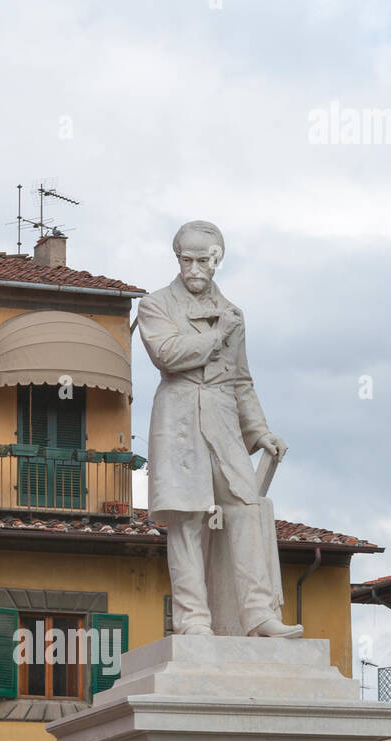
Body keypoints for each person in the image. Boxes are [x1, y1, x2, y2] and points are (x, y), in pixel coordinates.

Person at [138, 220, 303, 638]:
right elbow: (168, 354)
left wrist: (260, 431)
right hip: (178, 420)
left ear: (217, 262)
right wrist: (216, 335)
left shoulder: (232, 314)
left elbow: (241, 379)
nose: (193, 268)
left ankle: (258, 614)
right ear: (177, 258)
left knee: (247, 508)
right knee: (188, 518)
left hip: (224, 421)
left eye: (202, 260)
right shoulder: (155, 305)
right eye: (185, 259)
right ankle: (194, 621)